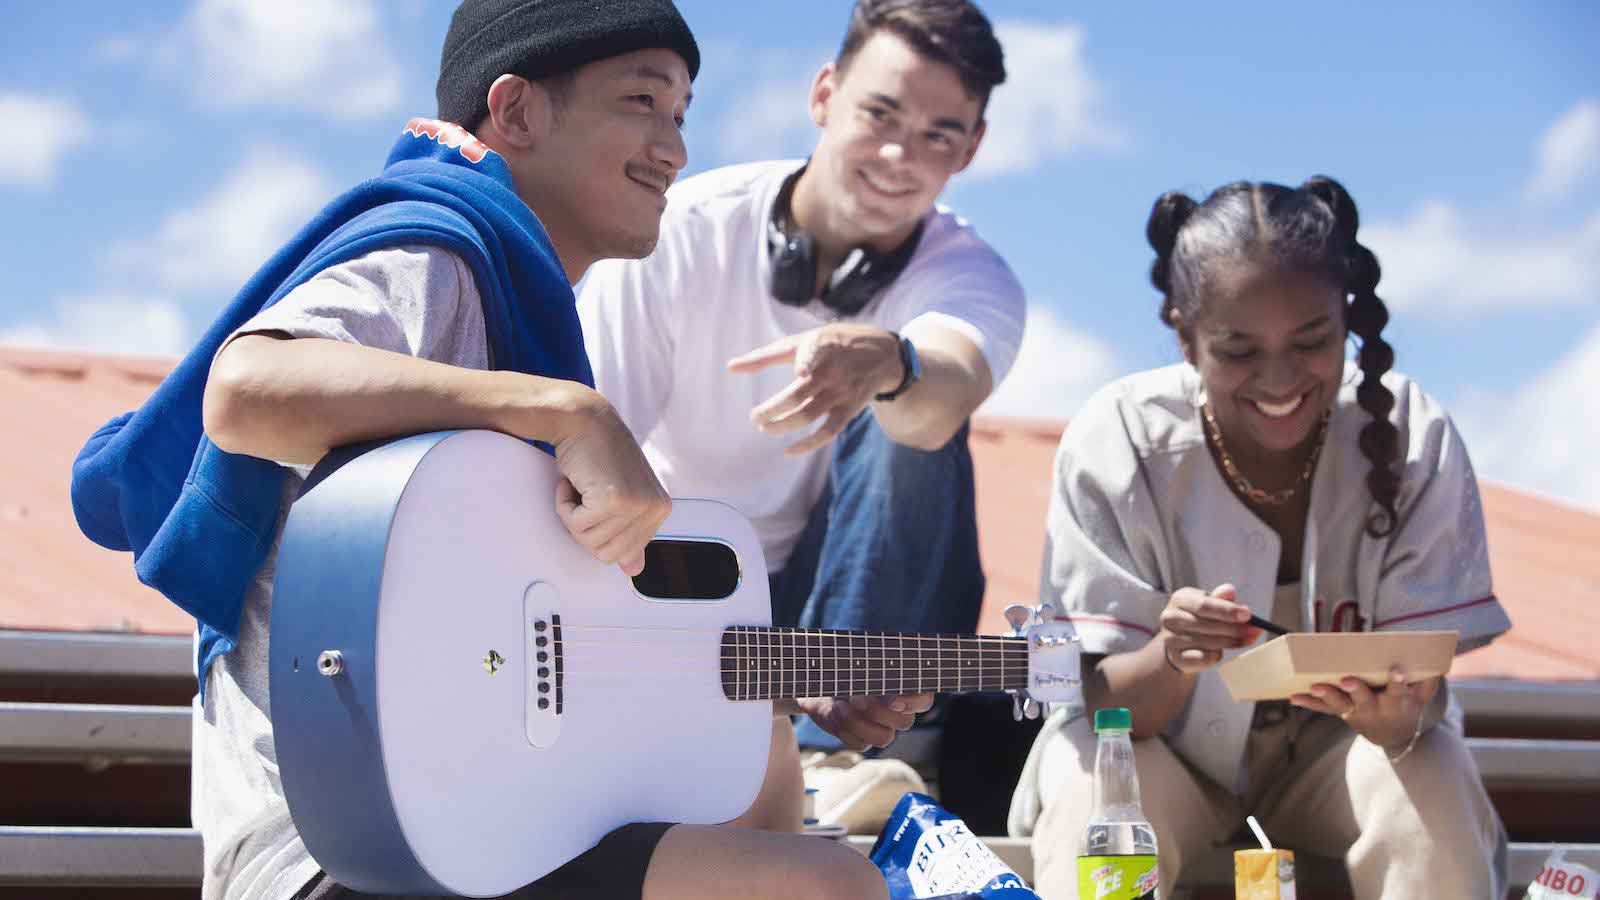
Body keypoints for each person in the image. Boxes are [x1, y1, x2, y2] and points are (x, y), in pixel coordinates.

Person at [69, 2, 890, 898]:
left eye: (681, 115)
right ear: (518, 112)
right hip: (343, 855)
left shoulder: (515, 307)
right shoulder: (437, 255)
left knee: (779, 813)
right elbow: (246, 391)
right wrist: (564, 410)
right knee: (823, 885)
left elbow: (525, 662)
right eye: (641, 102)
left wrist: (791, 680)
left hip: (475, 835)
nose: (675, 149)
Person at [1006, 177, 1511, 899]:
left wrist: (1397, 713)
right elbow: (1107, 705)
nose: (1278, 377)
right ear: (1184, 334)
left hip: (1343, 759)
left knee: (1427, 772)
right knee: (1095, 792)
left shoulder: (1412, 433)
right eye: (1238, 349)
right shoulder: (1114, 437)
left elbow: (1418, 701)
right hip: (1159, 755)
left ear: (1347, 320)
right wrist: (1170, 655)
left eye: (1312, 341)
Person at [577, 0, 1024, 772]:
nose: (897, 154)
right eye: (879, 114)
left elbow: (953, 377)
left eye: (938, 136)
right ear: (824, 95)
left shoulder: (971, 275)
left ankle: (836, 753)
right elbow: (591, 443)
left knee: (917, 416)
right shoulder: (679, 230)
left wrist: (892, 361)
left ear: (972, 148)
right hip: (681, 580)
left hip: (855, 599)